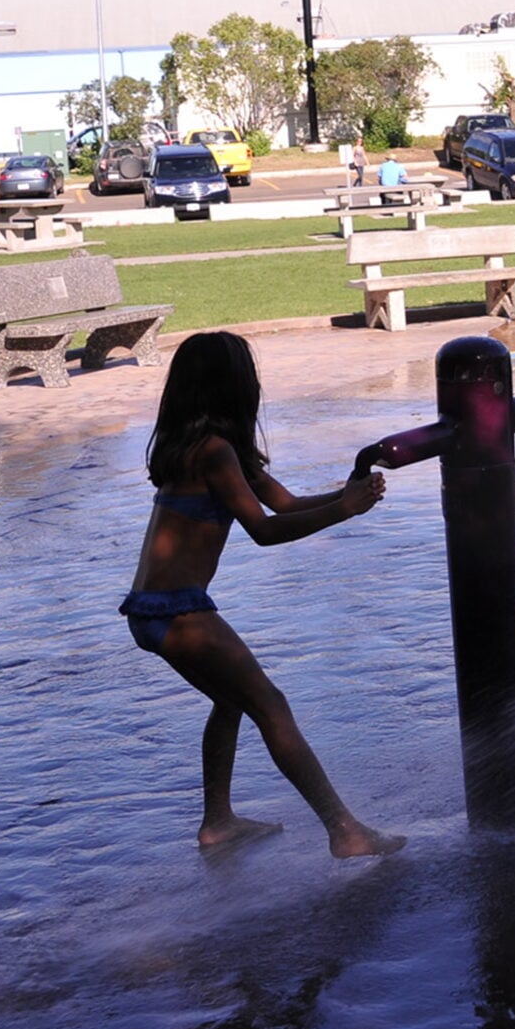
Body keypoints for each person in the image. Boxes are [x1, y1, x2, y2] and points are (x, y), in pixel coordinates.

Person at [120, 331, 404, 858]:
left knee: (230, 701)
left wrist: (345, 494)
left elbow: (287, 504)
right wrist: (345, 510)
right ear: (233, 388)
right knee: (270, 703)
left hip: (152, 609)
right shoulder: (215, 451)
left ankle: (218, 823)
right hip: (179, 610)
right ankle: (345, 831)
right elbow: (265, 530)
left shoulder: (202, 447)